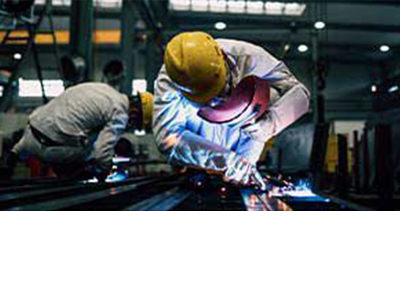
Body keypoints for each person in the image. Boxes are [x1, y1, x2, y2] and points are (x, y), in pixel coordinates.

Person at [153, 31, 310, 189]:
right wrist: (227, 161)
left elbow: (300, 93)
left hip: (246, 134)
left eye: (218, 90)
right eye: (206, 97)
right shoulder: (171, 80)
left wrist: (269, 125)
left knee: (273, 94)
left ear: (222, 57)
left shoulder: (248, 57)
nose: (215, 101)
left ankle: (244, 170)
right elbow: (167, 139)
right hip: (200, 155)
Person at [9, 82, 153, 180]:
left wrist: (16, 151)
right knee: (90, 154)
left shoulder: (105, 90)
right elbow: (101, 153)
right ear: (136, 112)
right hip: (51, 149)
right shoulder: (120, 113)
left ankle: (18, 153)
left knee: (84, 129)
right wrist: (105, 172)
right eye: (136, 123)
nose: (131, 125)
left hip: (29, 136)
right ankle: (69, 171)